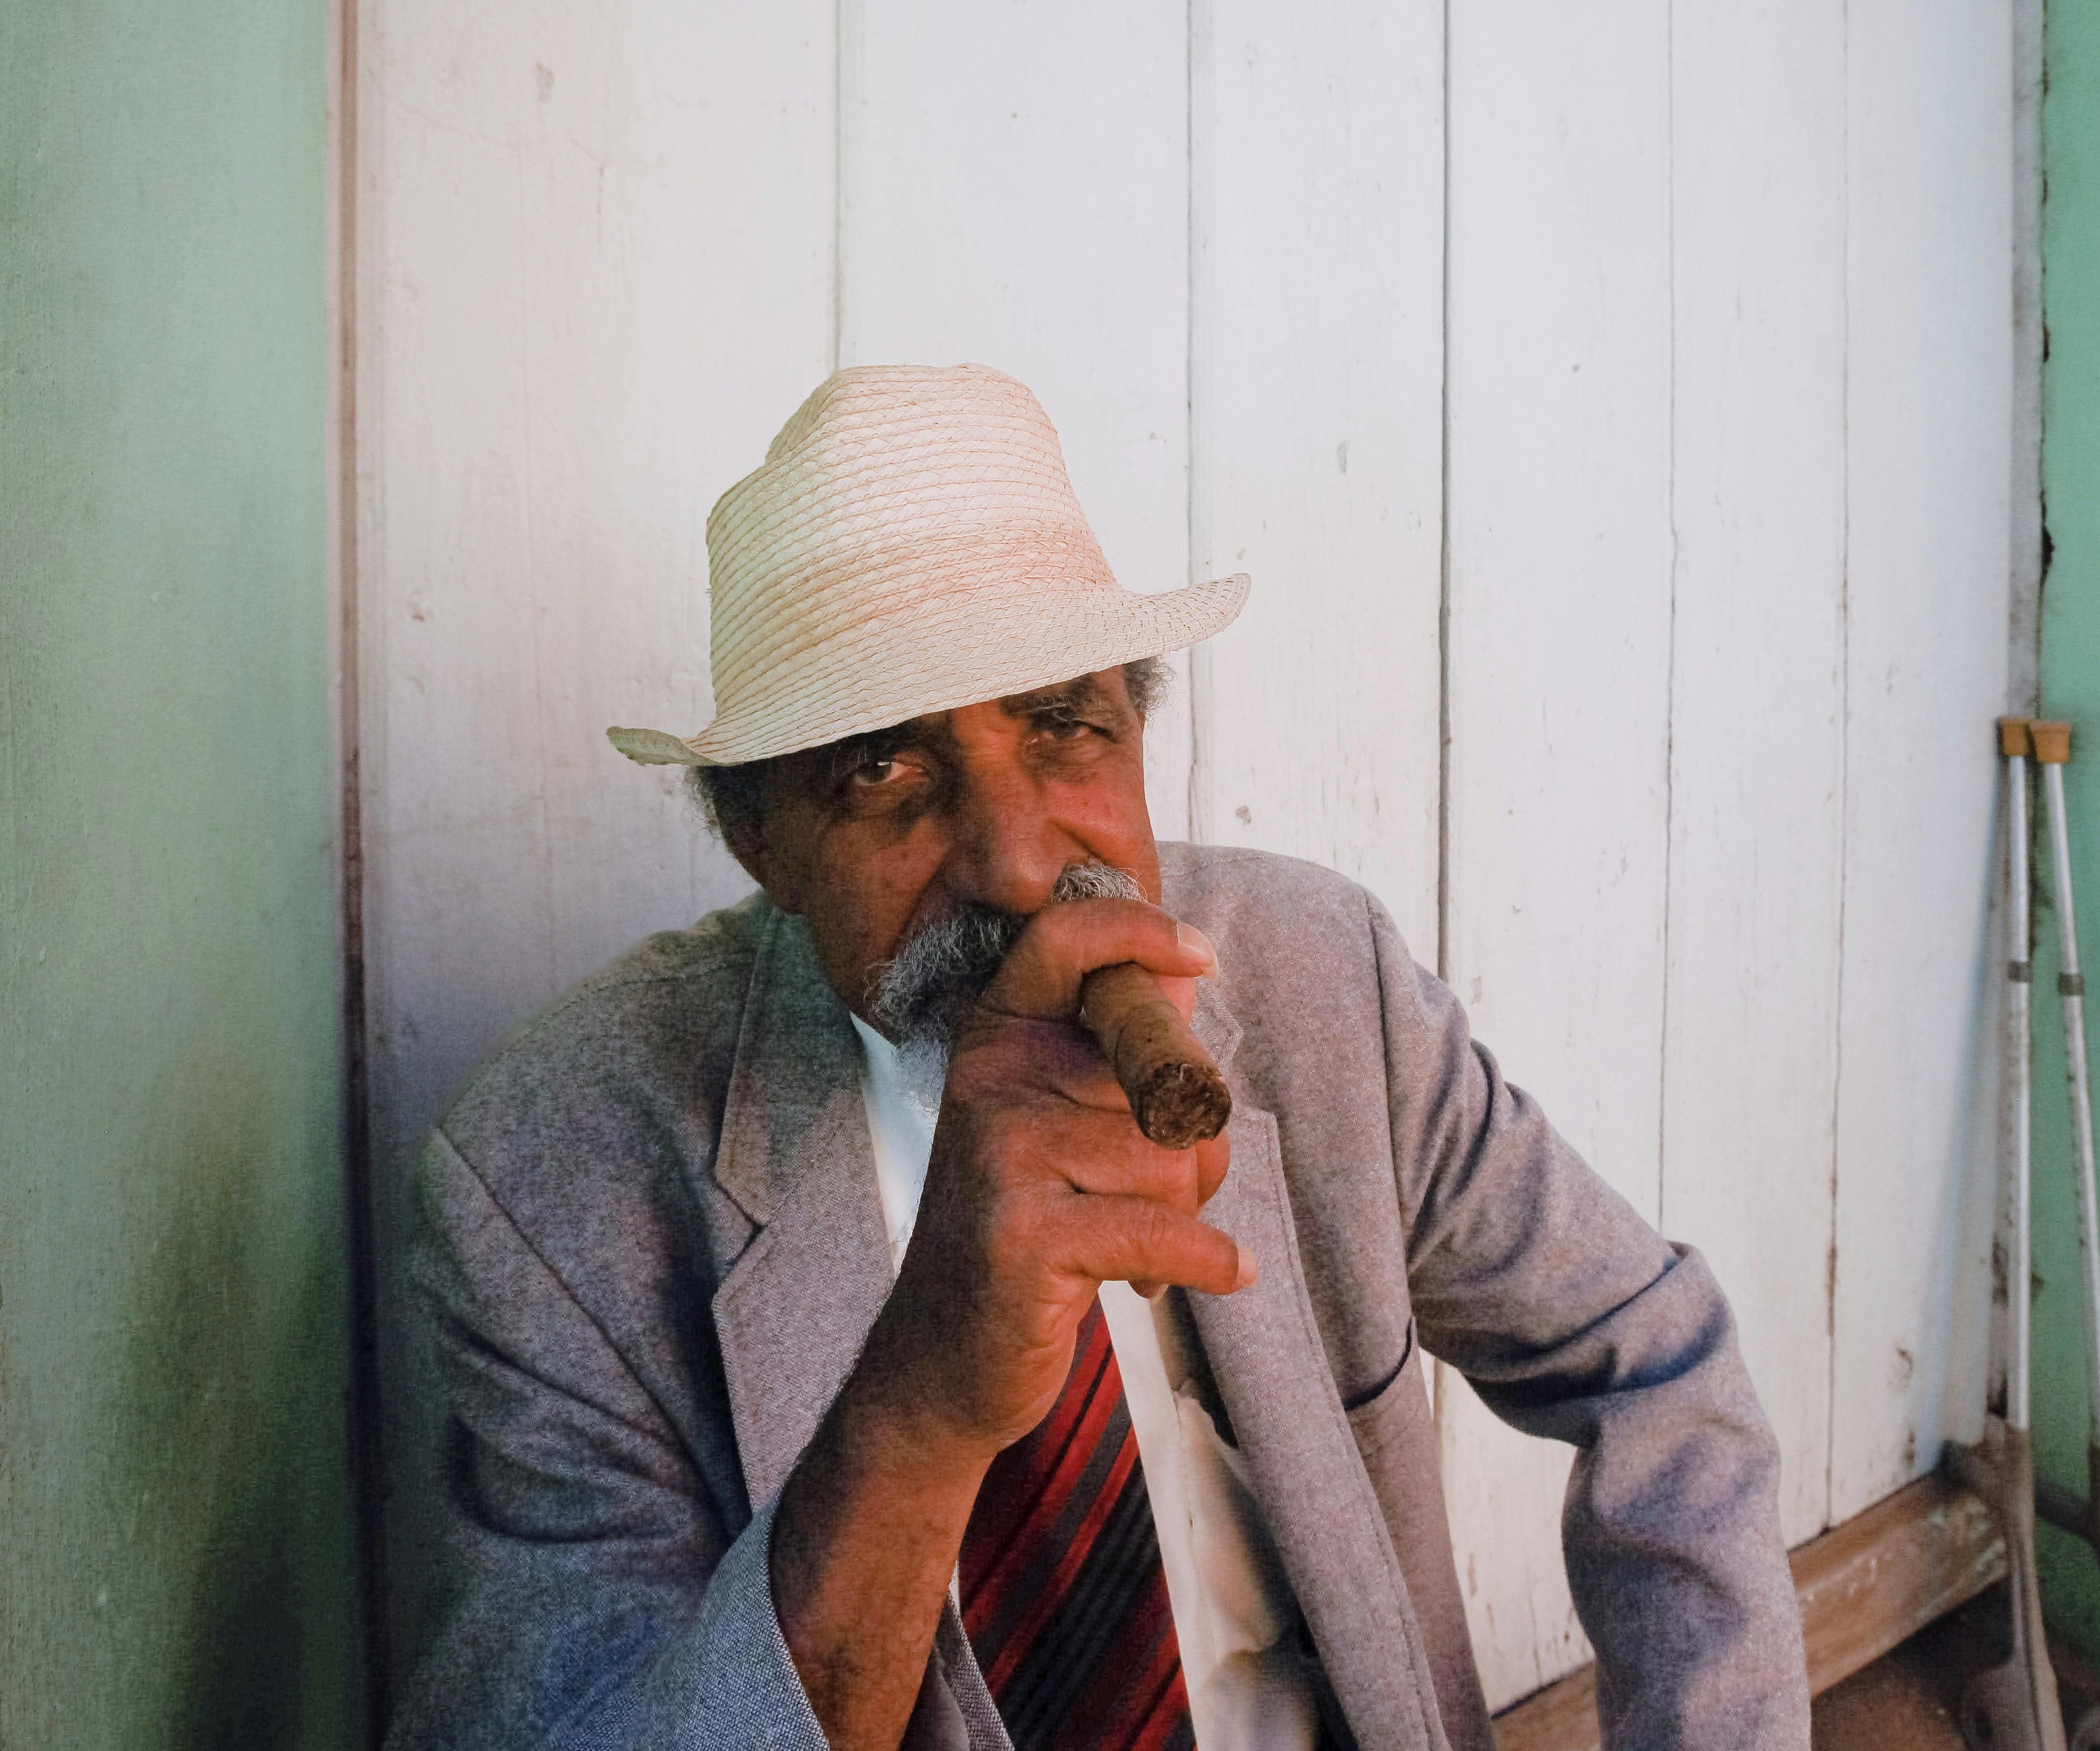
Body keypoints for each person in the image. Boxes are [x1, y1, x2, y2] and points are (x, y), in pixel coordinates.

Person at [389, 363, 1810, 1751]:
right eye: (884, 769)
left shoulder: (1323, 980)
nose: (1015, 866)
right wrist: (926, 1398)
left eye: (1065, 726)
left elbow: (1658, 1364)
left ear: (1135, 732)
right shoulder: (546, 1185)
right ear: (759, 837)